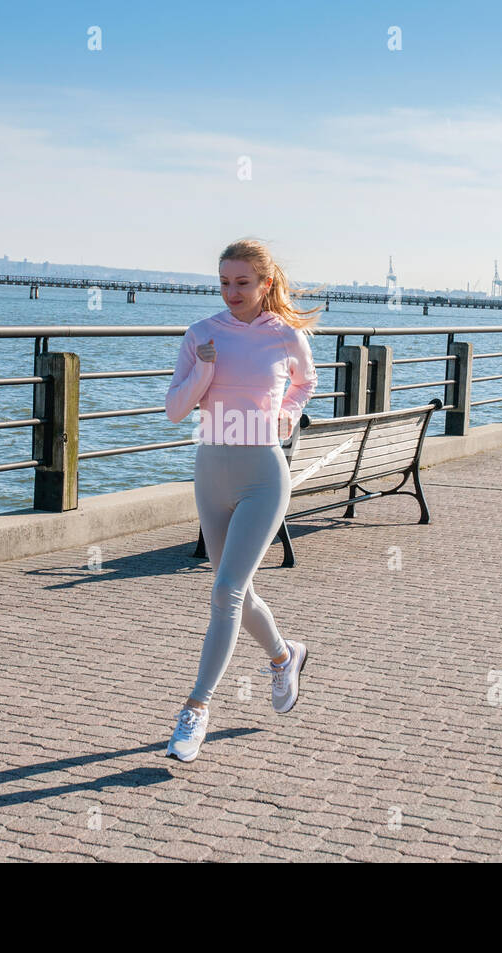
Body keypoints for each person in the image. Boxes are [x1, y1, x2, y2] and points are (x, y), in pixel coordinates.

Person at [162, 238, 322, 762]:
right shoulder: (201, 334)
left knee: (226, 591)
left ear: (265, 284)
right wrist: (205, 371)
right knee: (233, 589)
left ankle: (195, 709)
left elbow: (306, 383)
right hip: (211, 471)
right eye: (225, 282)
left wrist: (288, 415)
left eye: (243, 282)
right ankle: (283, 656)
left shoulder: (287, 336)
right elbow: (174, 410)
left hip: (262, 474)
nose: (232, 292)